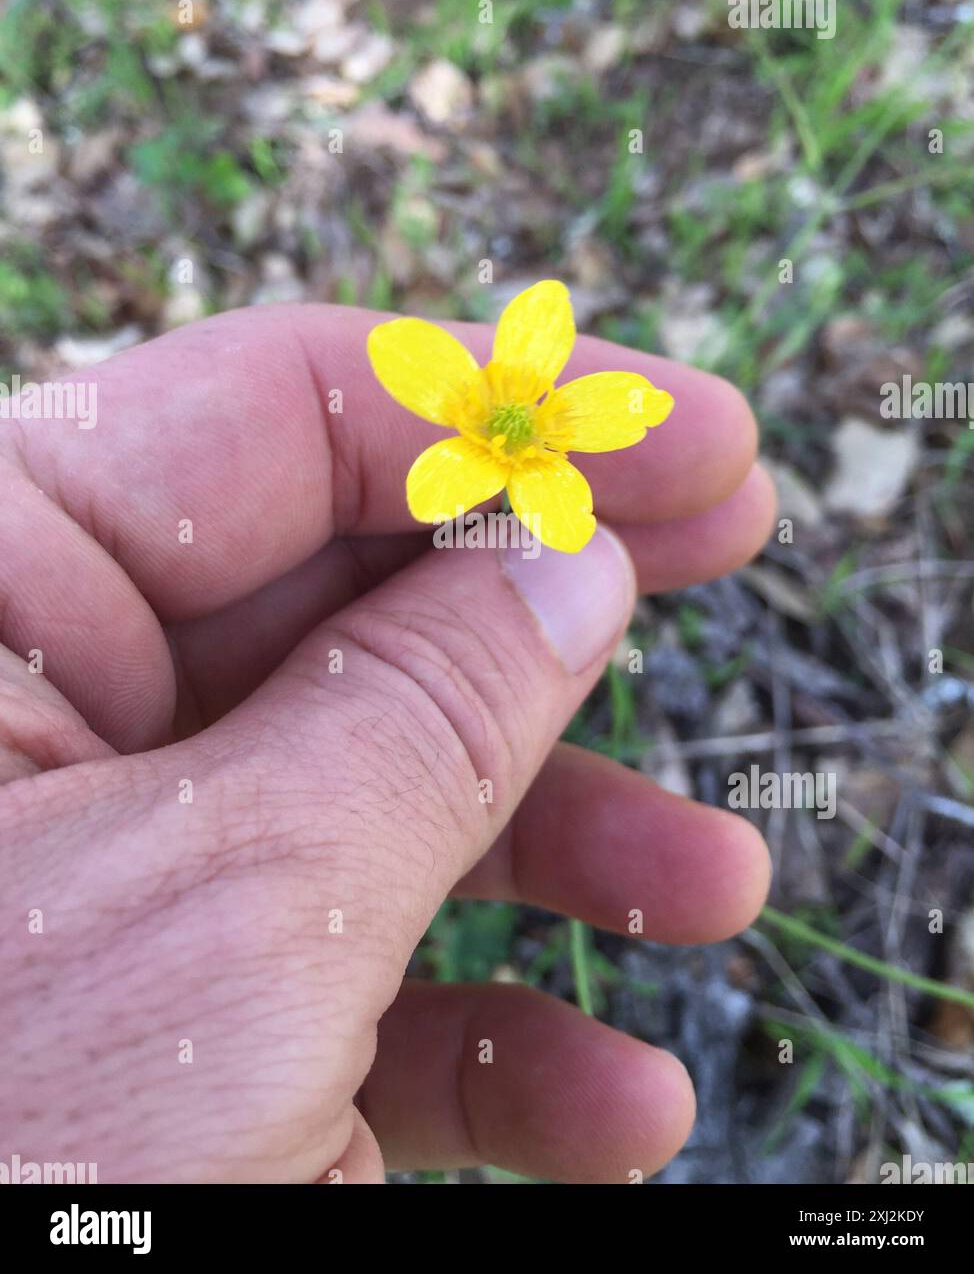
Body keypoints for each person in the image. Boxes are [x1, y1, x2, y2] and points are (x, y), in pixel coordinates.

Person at [0, 302, 775, 1183]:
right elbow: (443, 477)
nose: (513, 423)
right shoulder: (457, 451)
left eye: (520, 421)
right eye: (501, 418)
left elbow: (552, 511)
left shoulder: (549, 455)